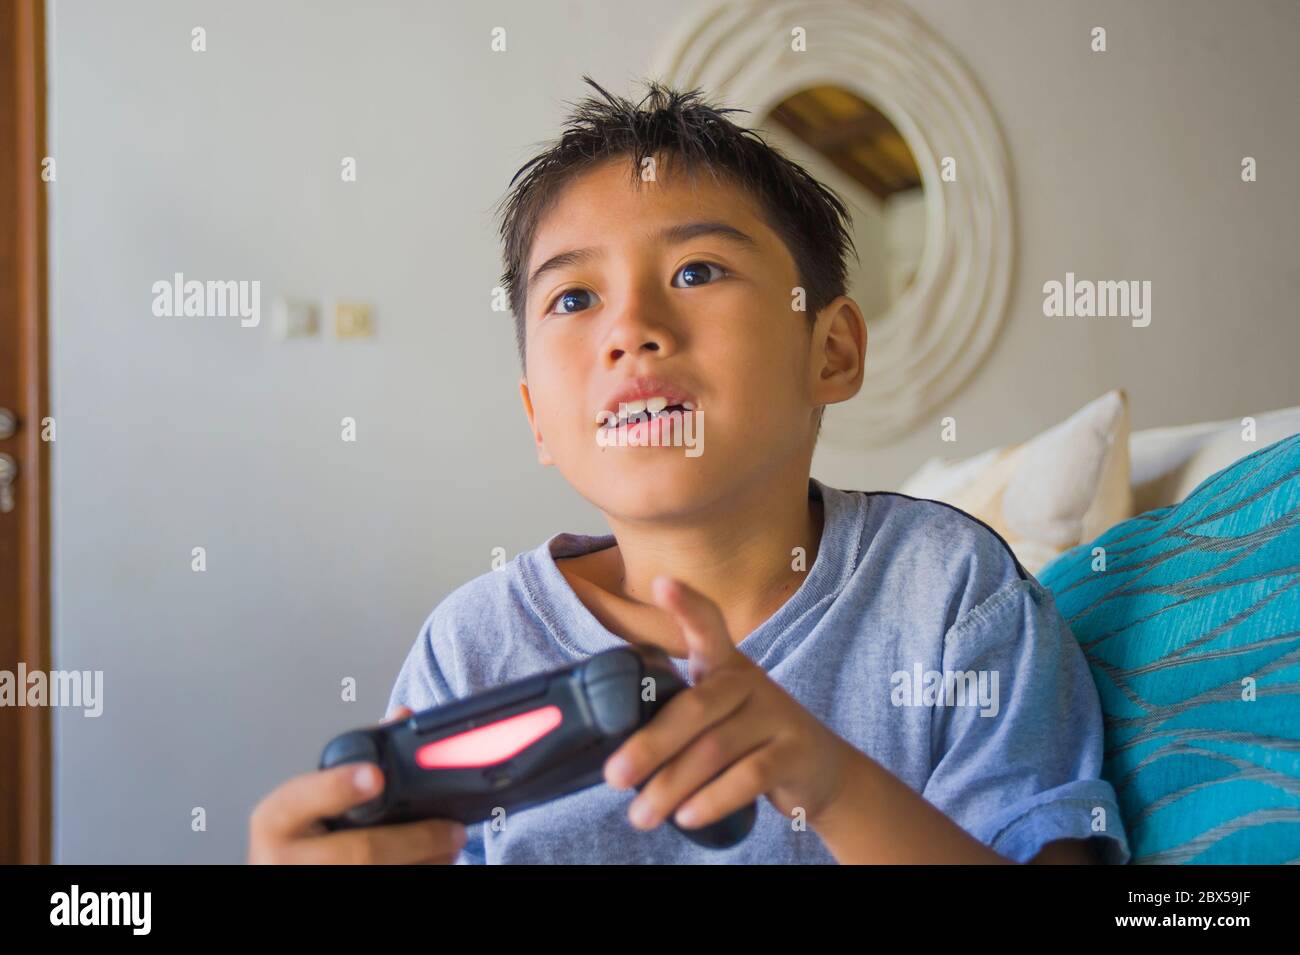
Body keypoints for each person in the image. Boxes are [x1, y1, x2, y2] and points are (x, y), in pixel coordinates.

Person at [248, 76, 1130, 865]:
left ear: (831, 353)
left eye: (697, 269)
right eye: (574, 297)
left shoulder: (948, 593)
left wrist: (833, 784)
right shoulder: (471, 649)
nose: (631, 327)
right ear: (538, 420)